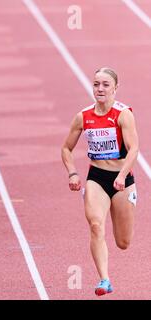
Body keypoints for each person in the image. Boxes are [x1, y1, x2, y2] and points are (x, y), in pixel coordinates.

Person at [61, 67, 138, 296]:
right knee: (95, 225)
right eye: (96, 84)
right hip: (96, 178)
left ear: (115, 88)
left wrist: (123, 175)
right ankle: (104, 279)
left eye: (105, 84)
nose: (100, 89)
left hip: (122, 178)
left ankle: (117, 247)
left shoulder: (123, 114)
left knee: (123, 242)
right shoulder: (83, 117)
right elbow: (66, 148)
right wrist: (72, 172)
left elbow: (134, 149)